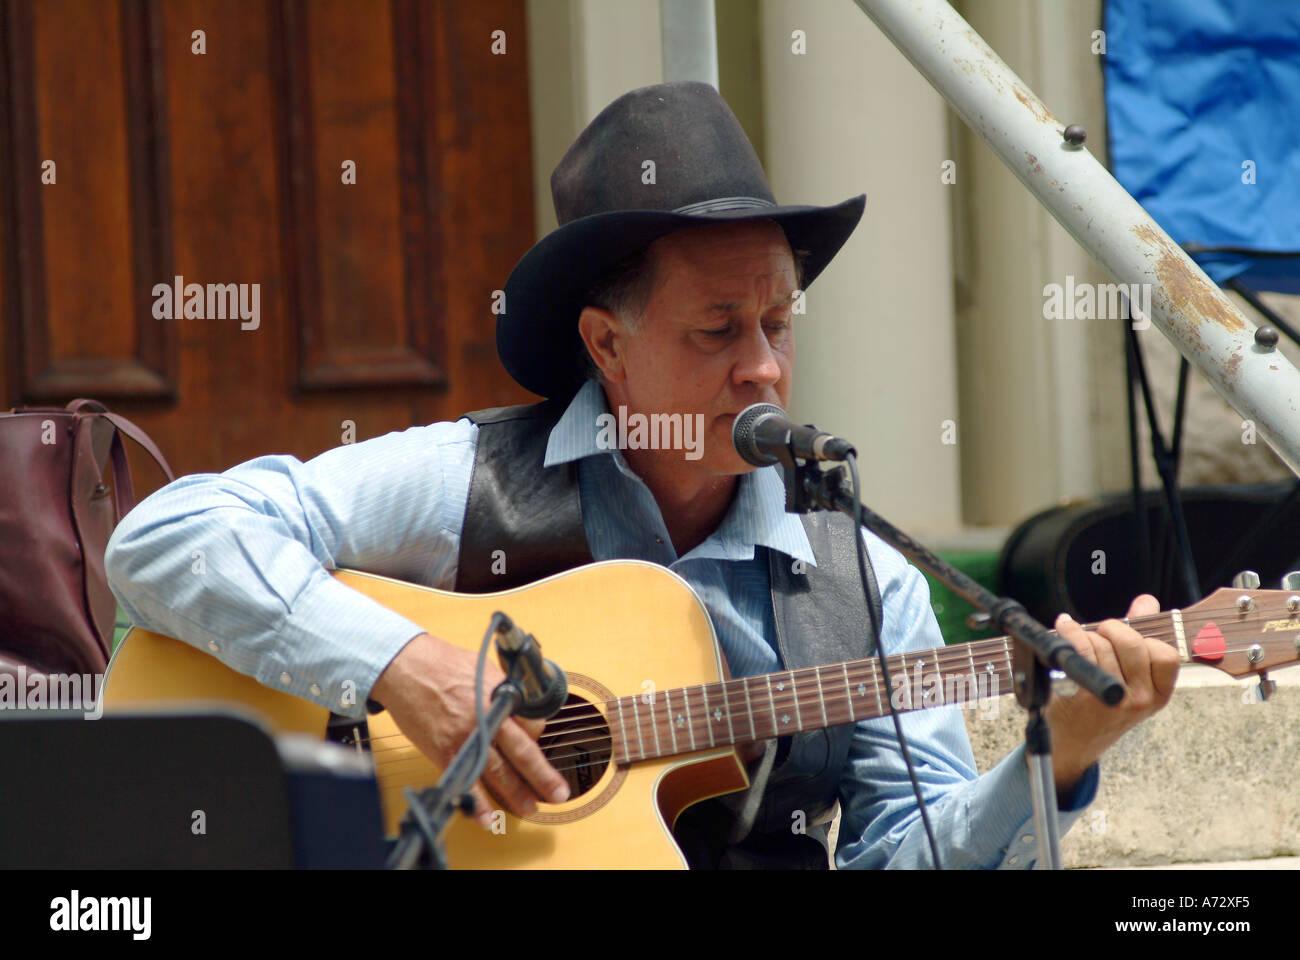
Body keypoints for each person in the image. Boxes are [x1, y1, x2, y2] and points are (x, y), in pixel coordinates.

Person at [105, 81, 1179, 869]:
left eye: (774, 322)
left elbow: (908, 858)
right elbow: (163, 539)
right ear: (607, 348)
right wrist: (404, 667)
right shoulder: (469, 481)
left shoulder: (860, 579)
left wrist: (1061, 754)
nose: (761, 363)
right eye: (717, 328)